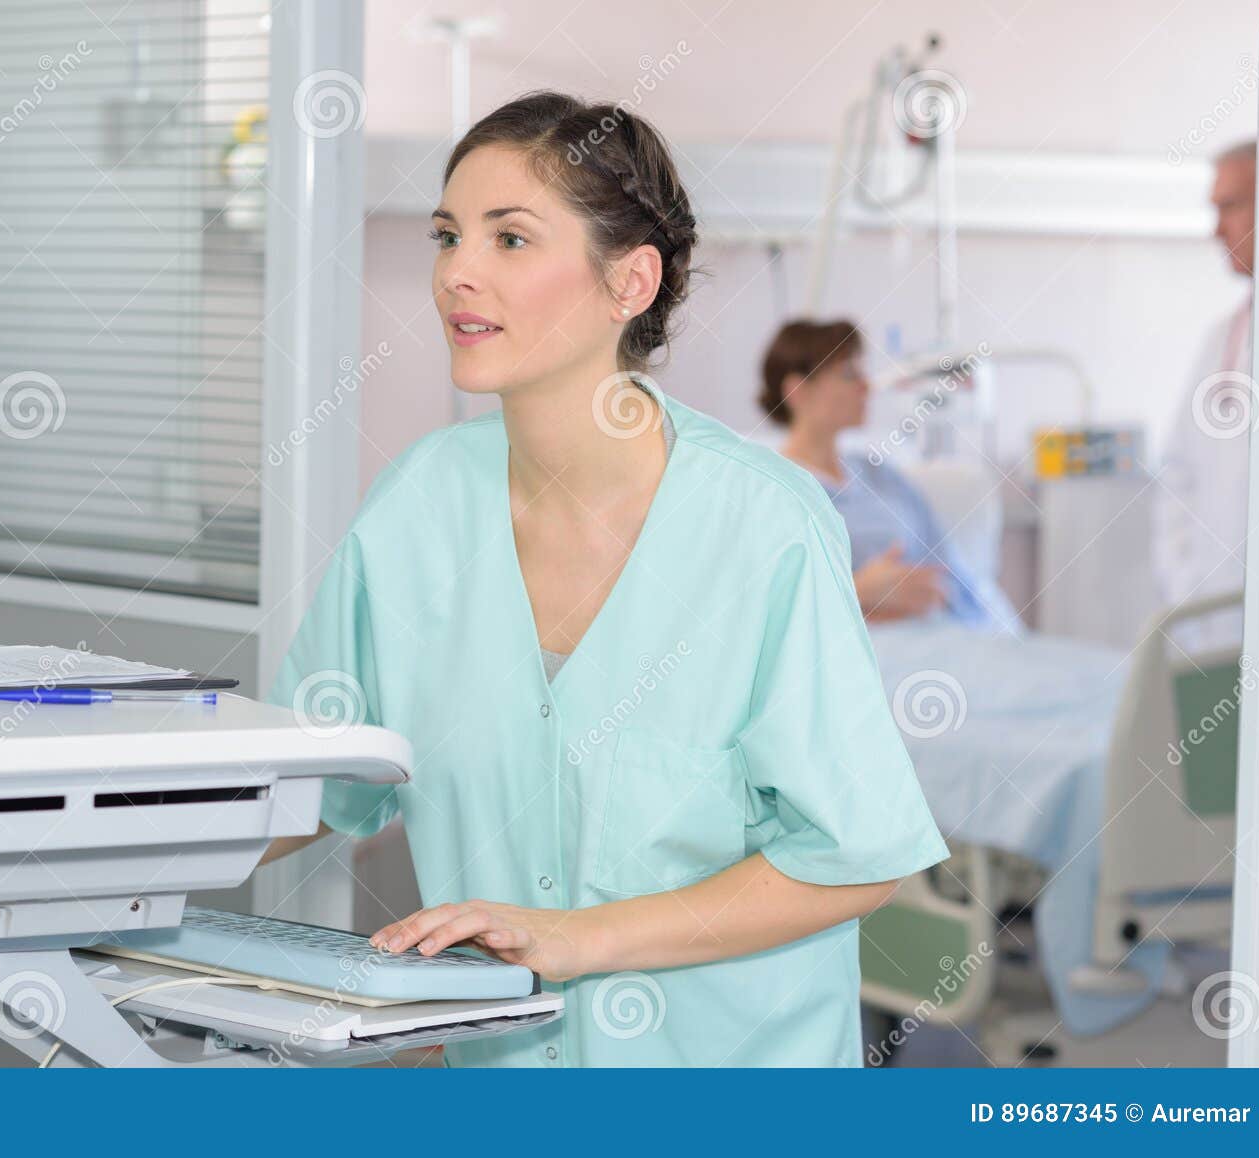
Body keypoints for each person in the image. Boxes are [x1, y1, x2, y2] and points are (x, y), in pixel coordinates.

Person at [261, 92, 947, 1067]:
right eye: (448, 235)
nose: (457, 271)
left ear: (629, 281)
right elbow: (315, 785)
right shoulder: (416, 509)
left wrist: (581, 939)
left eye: (509, 240)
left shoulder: (763, 524)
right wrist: (58, 849)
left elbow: (854, 857)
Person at [761, 319, 1023, 633]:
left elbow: (952, 572)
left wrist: (996, 635)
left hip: (947, 634)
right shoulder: (773, 492)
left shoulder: (882, 476)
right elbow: (769, 615)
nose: (866, 386)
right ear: (797, 390)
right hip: (874, 656)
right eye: (848, 374)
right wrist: (854, 592)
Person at [1153, 139, 1255, 637]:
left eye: (1231, 206)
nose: (1217, 230)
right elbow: (1179, 474)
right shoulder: (1223, 340)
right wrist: (1186, 589)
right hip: (1213, 628)